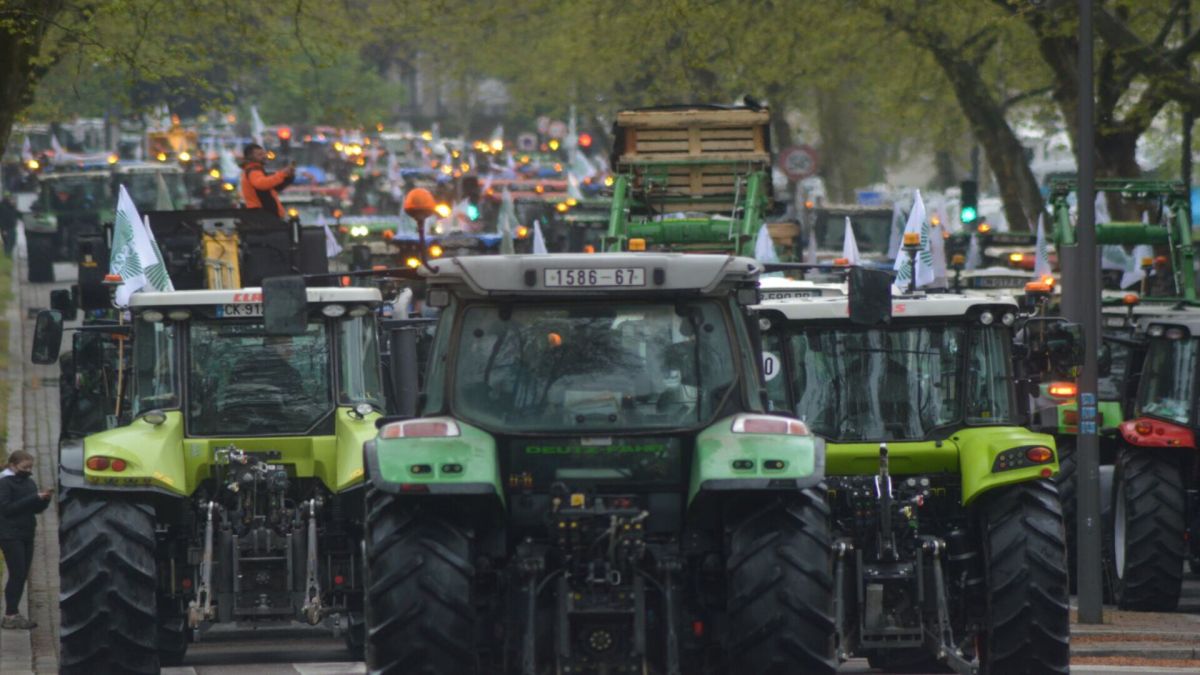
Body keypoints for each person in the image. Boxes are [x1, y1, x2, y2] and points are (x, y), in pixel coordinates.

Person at [0, 451, 51, 630]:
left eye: (30, 467)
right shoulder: (4, 483)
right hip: (9, 535)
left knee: (22, 575)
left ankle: (13, 614)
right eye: (24, 467)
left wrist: (44, 501)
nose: (28, 470)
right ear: (13, 466)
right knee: (17, 573)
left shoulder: (29, 482)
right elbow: (6, 509)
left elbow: (34, 508)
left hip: (26, 533)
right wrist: (33, 498)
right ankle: (10, 615)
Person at [239, 143, 295, 218]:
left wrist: (288, 176)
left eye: (264, 153)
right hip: (261, 216)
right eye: (260, 154)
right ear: (250, 157)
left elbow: (274, 187)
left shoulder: (257, 171)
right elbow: (262, 184)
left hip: (265, 216)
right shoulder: (253, 171)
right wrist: (282, 174)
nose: (264, 156)